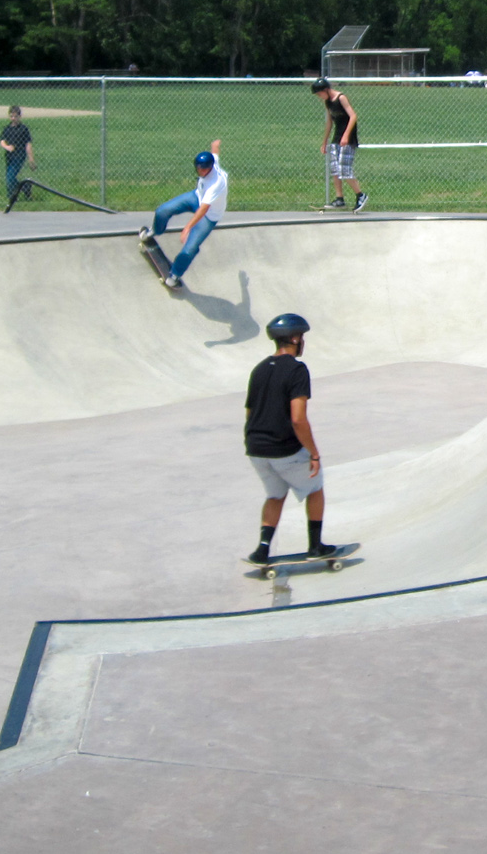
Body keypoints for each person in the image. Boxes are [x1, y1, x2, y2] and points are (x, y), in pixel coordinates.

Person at [242, 312, 339, 565]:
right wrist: (314, 454)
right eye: (303, 337)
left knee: (275, 495)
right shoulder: (297, 370)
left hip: (255, 449)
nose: (303, 342)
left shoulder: (260, 369)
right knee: (316, 487)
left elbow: (250, 412)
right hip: (282, 448)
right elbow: (298, 418)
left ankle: (262, 550)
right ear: (295, 338)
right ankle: (316, 546)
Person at [142, 139, 226, 290]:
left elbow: (204, 209)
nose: (200, 172)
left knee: (190, 248)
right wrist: (215, 145)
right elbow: (215, 153)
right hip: (195, 197)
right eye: (198, 169)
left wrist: (188, 227)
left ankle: (174, 276)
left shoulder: (216, 183)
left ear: (210, 167)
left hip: (208, 215)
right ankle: (154, 231)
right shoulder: (213, 162)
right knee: (162, 210)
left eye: (203, 169)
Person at [313, 77, 368, 211]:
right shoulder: (328, 102)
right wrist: (324, 141)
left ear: (326, 90)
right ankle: (339, 199)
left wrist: (346, 135)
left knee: (344, 169)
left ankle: (361, 195)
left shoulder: (341, 98)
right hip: (337, 138)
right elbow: (330, 123)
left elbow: (353, 116)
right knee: (335, 169)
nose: (319, 97)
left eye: (320, 93)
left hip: (347, 139)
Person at [0, 106, 34, 202]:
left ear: (19, 116)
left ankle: (12, 197)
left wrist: (31, 159)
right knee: (9, 177)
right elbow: (2, 141)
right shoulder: (7, 128)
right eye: (11, 116)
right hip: (9, 156)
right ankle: (25, 187)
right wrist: (7, 147)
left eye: (15, 116)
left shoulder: (23, 129)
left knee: (10, 177)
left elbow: (28, 144)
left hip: (19, 155)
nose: (13, 118)